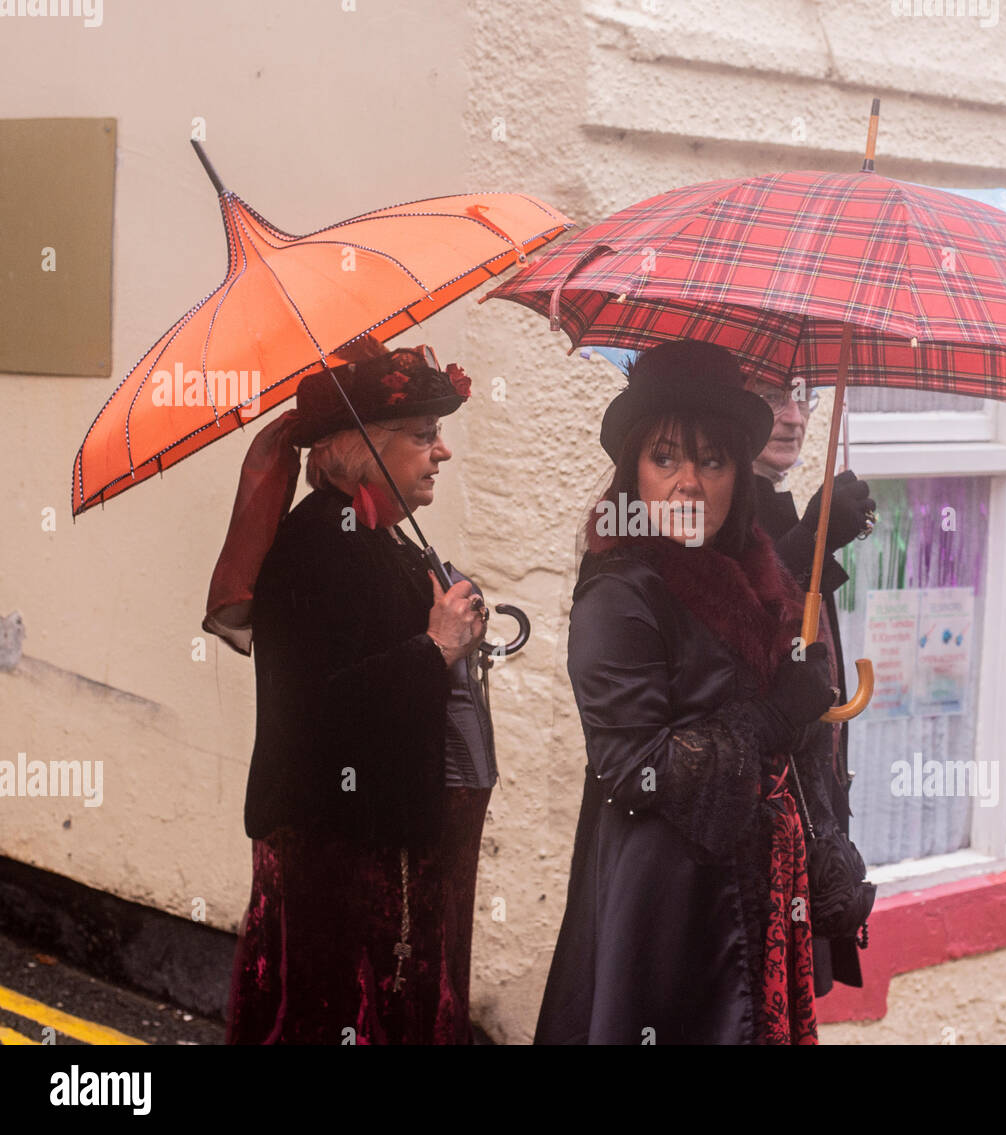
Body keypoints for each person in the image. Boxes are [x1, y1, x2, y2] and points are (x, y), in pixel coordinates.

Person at [536, 339, 867, 1045]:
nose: (689, 482)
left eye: (712, 460)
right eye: (666, 458)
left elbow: (774, 736)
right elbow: (634, 766)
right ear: (634, 472)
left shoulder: (751, 574)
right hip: (672, 908)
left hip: (757, 893)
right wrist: (777, 714)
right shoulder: (621, 592)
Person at [204, 336, 495, 1045]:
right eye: (424, 435)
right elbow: (318, 712)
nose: (442, 451)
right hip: (332, 866)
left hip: (377, 856)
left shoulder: (377, 537)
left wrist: (452, 625)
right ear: (365, 447)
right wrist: (435, 648)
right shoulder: (315, 547)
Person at [745, 377, 876, 996]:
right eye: (773, 398)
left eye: (801, 397)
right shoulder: (715, 505)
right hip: (760, 797)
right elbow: (750, 619)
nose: (794, 419)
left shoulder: (772, 496)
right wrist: (811, 539)